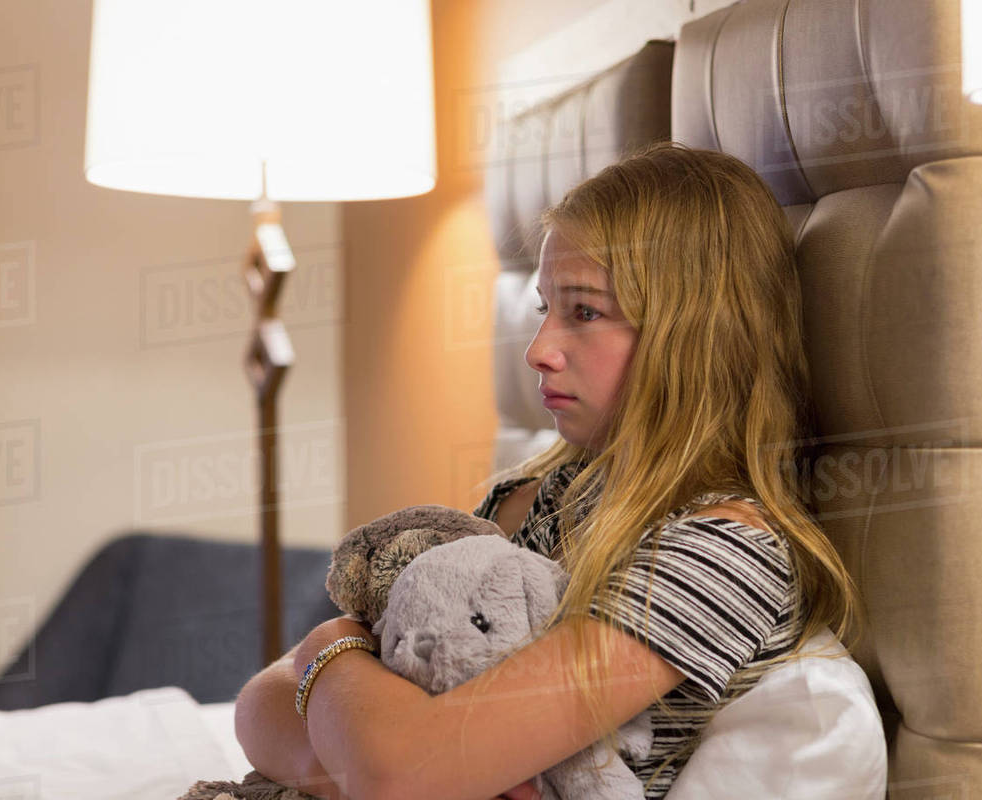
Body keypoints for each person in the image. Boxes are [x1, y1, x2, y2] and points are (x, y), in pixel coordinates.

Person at [233, 141, 862, 800]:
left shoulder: (718, 555)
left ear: (693, 337)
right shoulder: (532, 494)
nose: (538, 351)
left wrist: (327, 650)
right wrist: (337, 755)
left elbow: (400, 776)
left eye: (584, 312)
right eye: (545, 308)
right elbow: (259, 705)